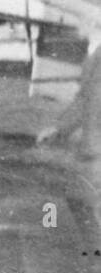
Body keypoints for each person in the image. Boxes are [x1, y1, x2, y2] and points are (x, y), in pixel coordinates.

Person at [37, 28, 100, 243]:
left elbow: (89, 100)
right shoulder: (96, 54)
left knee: (83, 204)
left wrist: (60, 129)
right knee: (77, 201)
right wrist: (59, 128)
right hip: (91, 150)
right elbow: (85, 98)